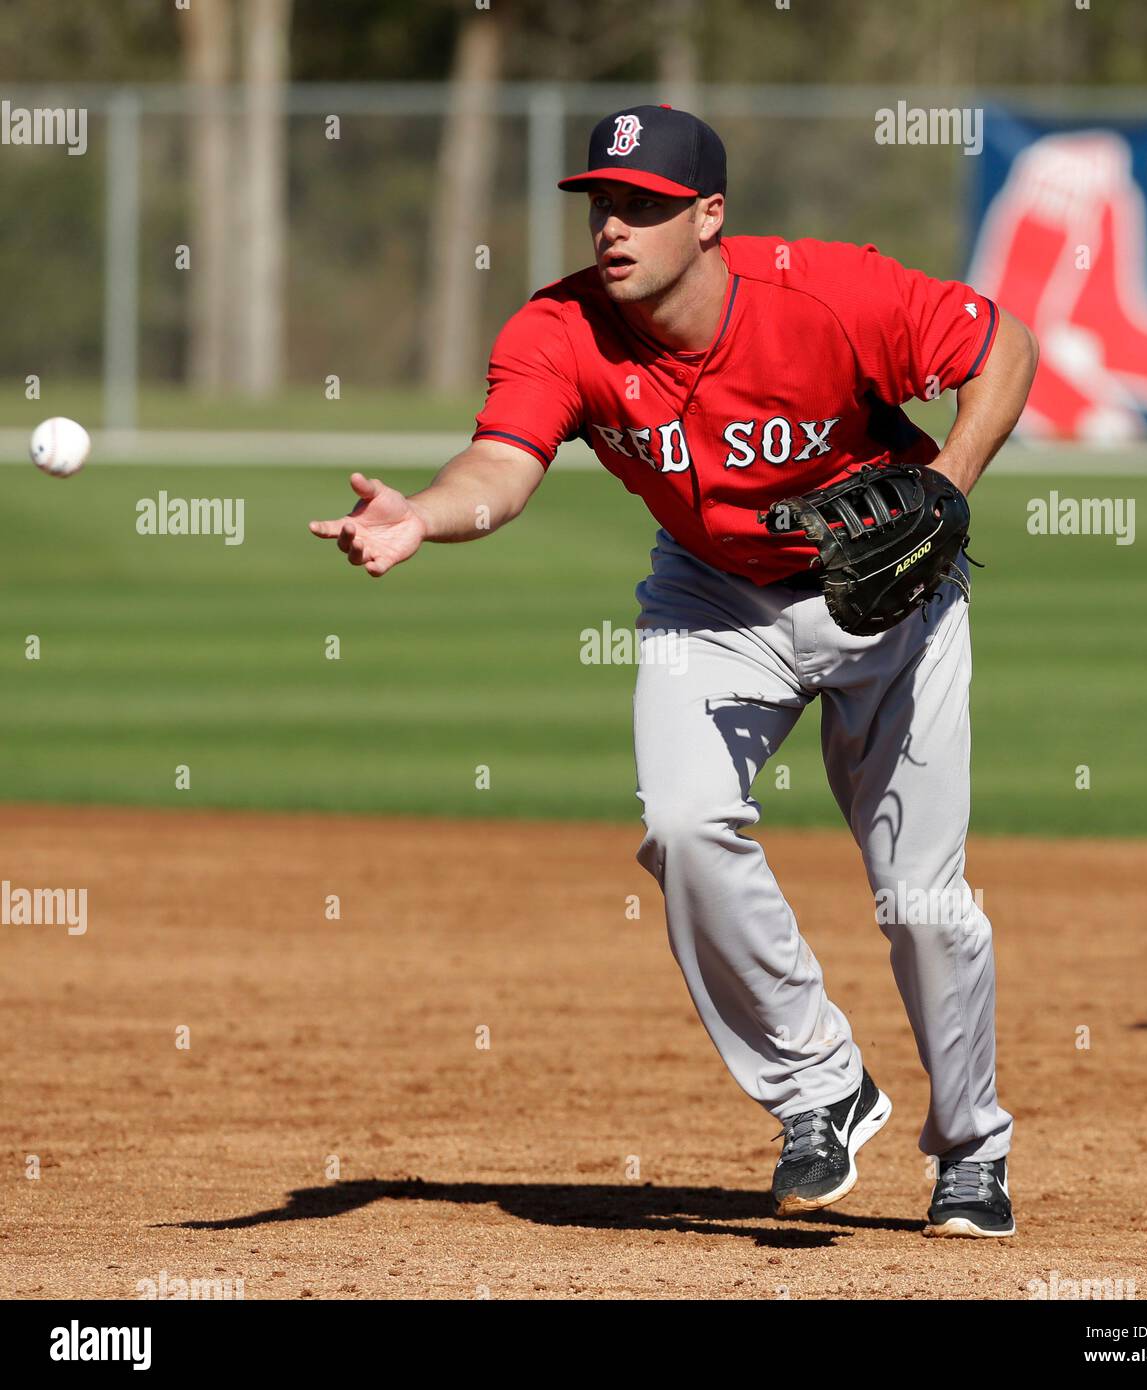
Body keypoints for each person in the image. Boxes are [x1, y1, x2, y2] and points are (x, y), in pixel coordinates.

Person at [309, 105, 1038, 1237]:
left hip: (888, 599)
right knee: (685, 826)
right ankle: (820, 1087)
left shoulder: (829, 291)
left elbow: (1001, 345)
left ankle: (972, 1147)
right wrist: (426, 518)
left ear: (709, 217)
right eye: (604, 203)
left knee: (923, 897)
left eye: (644, 206)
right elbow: (503, 463)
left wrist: (948, 480)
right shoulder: (561, 330)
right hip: (712, 594)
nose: (615, 227)